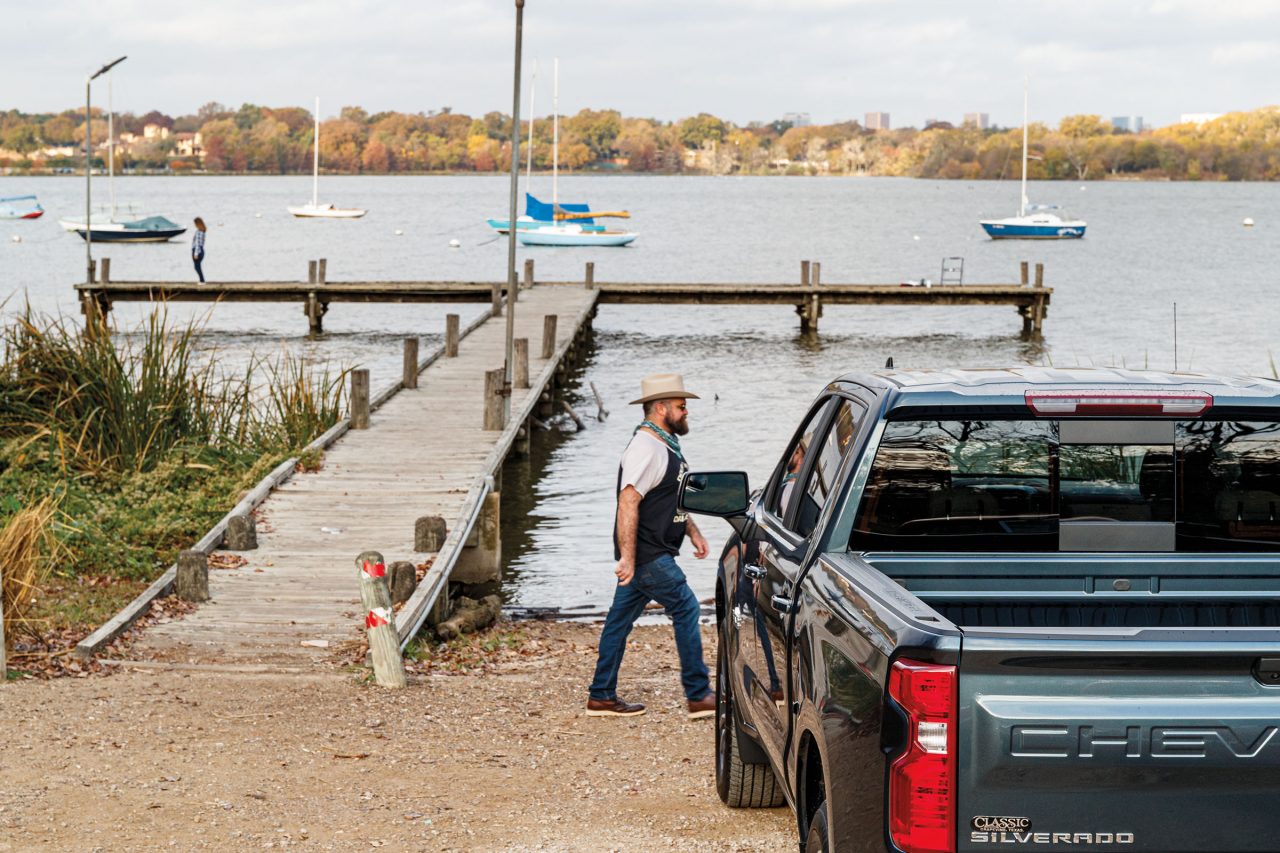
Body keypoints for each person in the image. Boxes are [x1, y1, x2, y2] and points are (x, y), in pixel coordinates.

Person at [587, 373, 715, 720]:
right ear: (661, 408)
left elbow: (671, 496)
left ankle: (600, 696)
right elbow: (628, 501)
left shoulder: (664, 446)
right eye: (681, 406)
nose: (686, 412)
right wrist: (628, 558)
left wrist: (693, 531)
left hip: (652, 551)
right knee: (686, 607)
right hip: (648, 554)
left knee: (618, 622)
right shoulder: (646, 448)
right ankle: (698, 695)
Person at [191, 217, 207, 283]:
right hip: (201, 250)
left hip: (197, 250)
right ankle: (201, 280)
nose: (194, 225)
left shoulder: (199, 232)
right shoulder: (203, 231)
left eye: (195, 223)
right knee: (197, 266)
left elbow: (197, 243)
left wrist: (196, 253)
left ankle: (202, 280)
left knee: (197, 266)